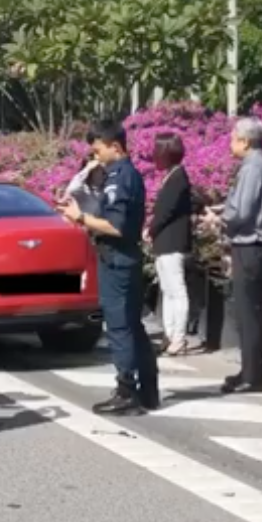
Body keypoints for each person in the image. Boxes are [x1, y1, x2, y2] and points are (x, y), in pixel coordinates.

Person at [55, 119, 160, 414]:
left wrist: (81, 218)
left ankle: (127, 390)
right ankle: (147, 389)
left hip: (118, 260)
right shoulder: (118, 175)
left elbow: (116, 226)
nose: (95, 156)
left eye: (98, 149)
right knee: (132, 327)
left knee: (119, 327)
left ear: (115, 146)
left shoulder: (120, 178)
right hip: (119, 259)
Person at [213, 117, 262, 394]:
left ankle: (255, 377)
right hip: (261, 245)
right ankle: (249, 370)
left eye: (233, 138)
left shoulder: (252, 168)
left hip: (252, 244)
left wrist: (222, 220)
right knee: (249, 311)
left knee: (248, 312)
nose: (230, 144)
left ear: (244, 140)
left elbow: (242, 211)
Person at [149, 132, 195, 356]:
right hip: (164, 241)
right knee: (167, 290)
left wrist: (150, 229)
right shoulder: (172, 176)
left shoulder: (178, 178)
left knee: (176, 289)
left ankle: (179, 336)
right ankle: (169, 334)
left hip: (172, 241)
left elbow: (165, 211)